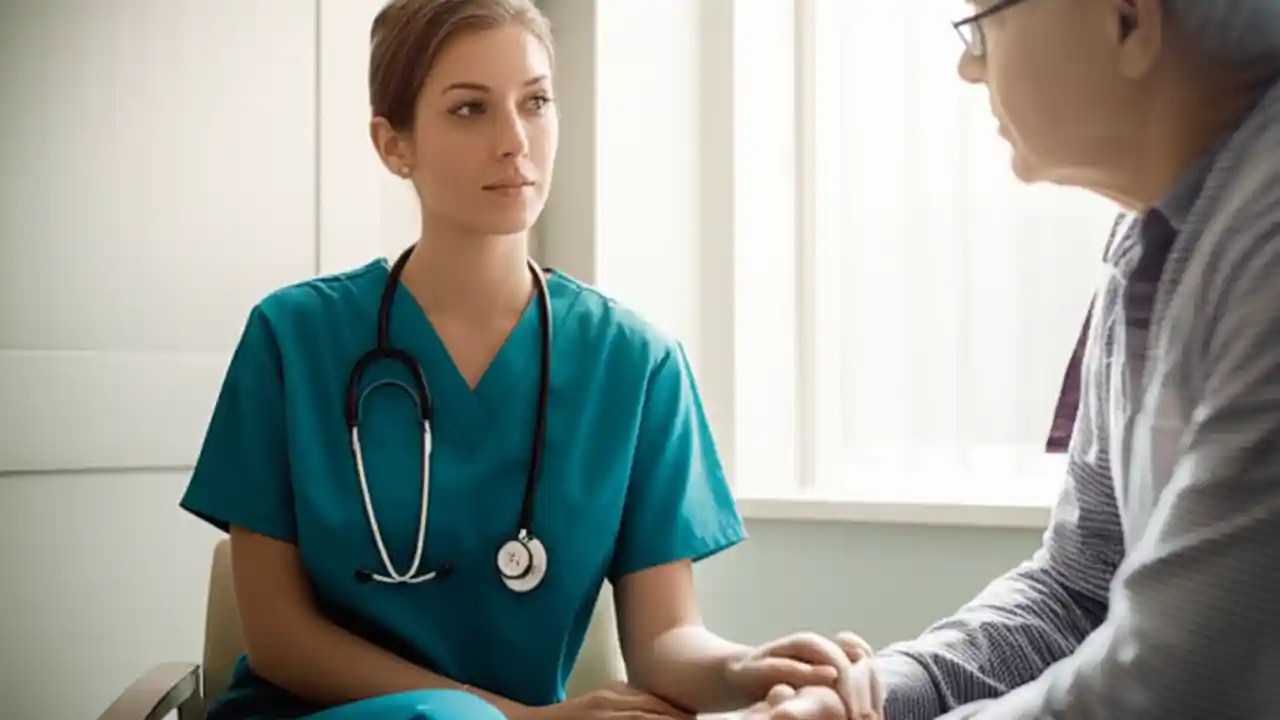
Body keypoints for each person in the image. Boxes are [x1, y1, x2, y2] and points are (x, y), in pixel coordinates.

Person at [178, 1, 863, 718]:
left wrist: (750, 669)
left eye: (535, 102)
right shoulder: (292, 337)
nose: (514, 141)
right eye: (470, 109)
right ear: (393, 144)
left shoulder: (635, 364)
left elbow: (665, 641)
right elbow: (280, 639)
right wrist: (520, 719)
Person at [739, 0, 1280, 717]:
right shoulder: (1148, 239)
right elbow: (1080, 593)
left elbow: (1181, 684)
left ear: (1127, 19)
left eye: (983, 21)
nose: (970, 66)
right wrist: (878, 693)